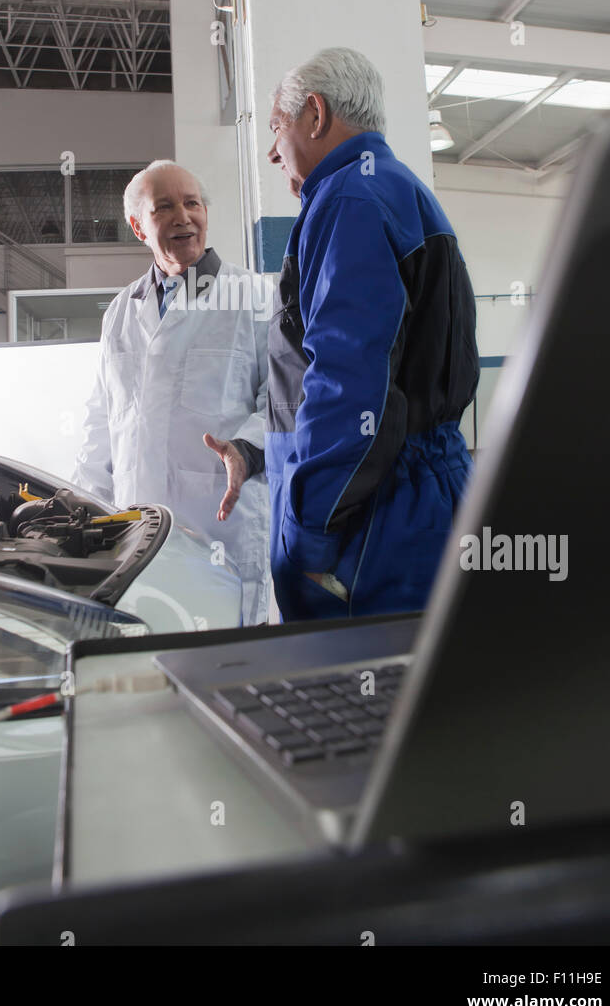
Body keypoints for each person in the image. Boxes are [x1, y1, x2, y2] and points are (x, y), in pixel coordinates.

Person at [265, 46, 479, 621]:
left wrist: (308, 537)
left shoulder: (349, 199)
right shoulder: (397, 187)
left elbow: (348, 381)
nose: (271, 151)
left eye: (275, 128)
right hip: (423, 492)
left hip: (373, 512)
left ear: (315, 114)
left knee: (354, 697)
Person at [72, 160, 273, 625]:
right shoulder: (122, 310)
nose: (184, 216)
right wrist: (83, 505)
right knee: (149, 656)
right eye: (165, 207)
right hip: (134, 531)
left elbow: (286, 402)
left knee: (226, 660)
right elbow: (102, 419)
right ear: (138, 226)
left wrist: (246, 449)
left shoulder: (253, 297)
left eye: (193, 203)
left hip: (219, 525)